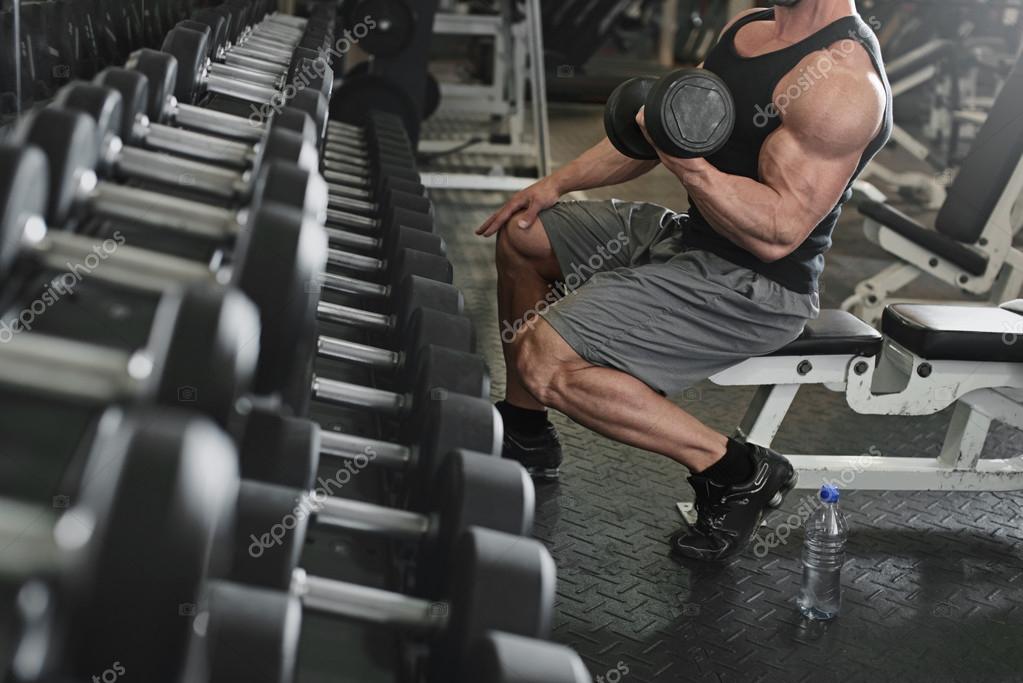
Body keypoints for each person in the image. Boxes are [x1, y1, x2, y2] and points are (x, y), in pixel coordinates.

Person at [474, 0, 892, 561]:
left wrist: (686, 164)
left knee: (544, 359)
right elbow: (666, 128)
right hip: (688, 238)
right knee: (524, 234)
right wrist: (555, 184)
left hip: (754, 286)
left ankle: (736, 470)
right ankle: (526, 431)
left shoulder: (842, 83)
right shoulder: (748, 29)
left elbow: (776, 232)